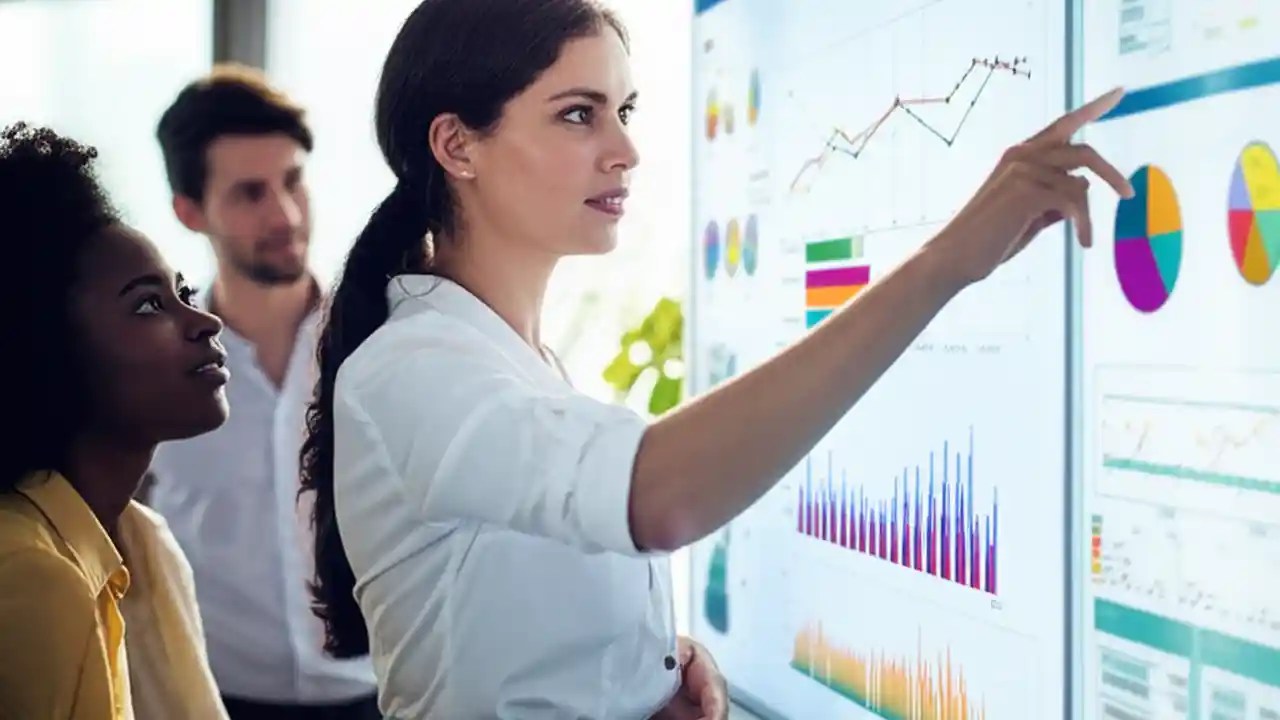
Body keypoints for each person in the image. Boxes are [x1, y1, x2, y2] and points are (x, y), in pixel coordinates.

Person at [299, 1, 1134, 718]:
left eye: (626, 109)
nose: (624, 149)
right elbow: (657, 496)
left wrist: (638, 674)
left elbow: (509, 632)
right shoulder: (412, 366)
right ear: (457, 145)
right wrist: (944, 263)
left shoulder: (515, 359)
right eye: (578, 113)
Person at [148, 65, 379, 719]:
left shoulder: (386, 345)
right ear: (189, 212)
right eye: (250, 192)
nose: (283, 213)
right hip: (216, 698)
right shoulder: (155, 368)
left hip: (385, 695)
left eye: (293, 180)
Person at [0, 122, 230, 719]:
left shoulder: (143, 541)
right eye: (149, 303)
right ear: (48, 347)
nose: (203, 321)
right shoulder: (32, 575)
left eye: (182, 291)